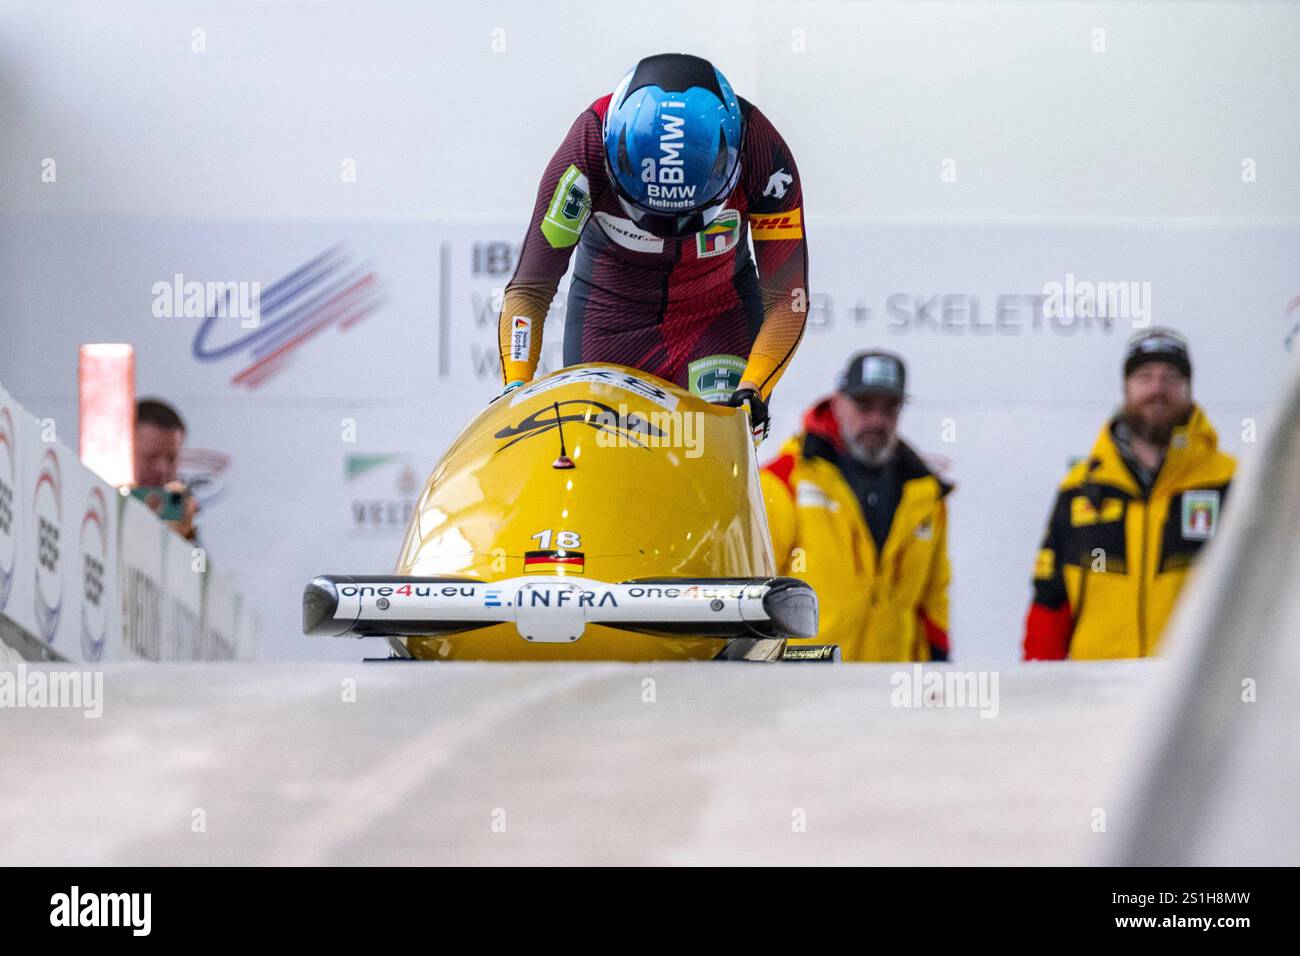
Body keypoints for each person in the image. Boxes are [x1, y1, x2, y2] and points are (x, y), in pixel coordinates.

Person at [496, 52, 809, 441]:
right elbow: (530, 287)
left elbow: (787, 299)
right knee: (603, 467)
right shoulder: (587, 149)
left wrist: (753, 386)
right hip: (610, 318)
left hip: (715, 316)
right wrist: (516, 387)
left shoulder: (763, 153)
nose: (669, 232)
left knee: (710, 450)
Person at [1023, 328, 1236, 660]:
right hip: (1094, 695)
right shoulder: (1080, 488)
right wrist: (1037, 694)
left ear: (1188, 389)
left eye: (1170, 378)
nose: (1157, 389)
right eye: (1145, 377)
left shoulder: (1230, 483)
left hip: (1195, 697)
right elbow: (1050, 603)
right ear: (1126, 388)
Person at [761, 351, 953, 661]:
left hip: (892, 686)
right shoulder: (785, 480)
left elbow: (934, 599)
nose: (877, 420)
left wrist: (939, 666)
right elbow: (757, 588)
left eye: (889, 408)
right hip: (804, 683)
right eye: (864, 405)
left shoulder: (926, 494)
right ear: (837, 403)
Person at [133, 398, 200, 542]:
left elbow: (199, 564)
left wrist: (185, 536)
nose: (161, 469)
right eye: (150, 456)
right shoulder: (100, 505)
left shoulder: (180, 515)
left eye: (171, 458)